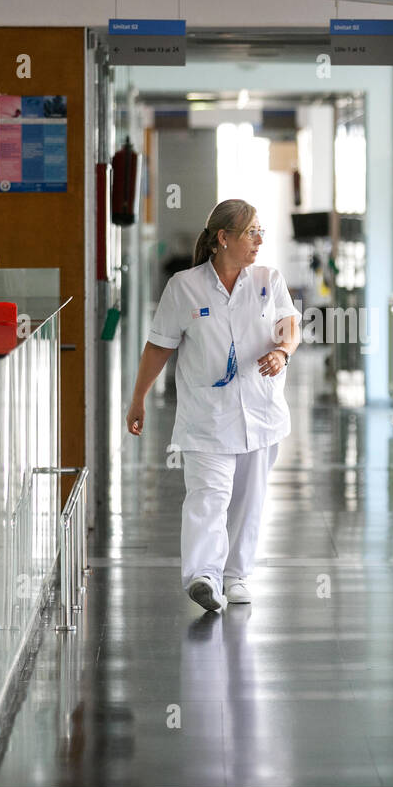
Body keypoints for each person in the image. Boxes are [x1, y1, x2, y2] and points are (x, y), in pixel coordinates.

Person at [127, 199, 301, 612]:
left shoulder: (267, 279)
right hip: (207, 416)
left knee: (248, 498)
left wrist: (283, 352)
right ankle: (204, 576)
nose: (259, 240)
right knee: (207, 495)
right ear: (223, 238)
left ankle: (236, 574)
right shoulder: (183, 287)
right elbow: (158, 347)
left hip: (260, 412)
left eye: (261, 231)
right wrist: (139, 398)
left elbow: (290, 326)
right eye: (250, 232)